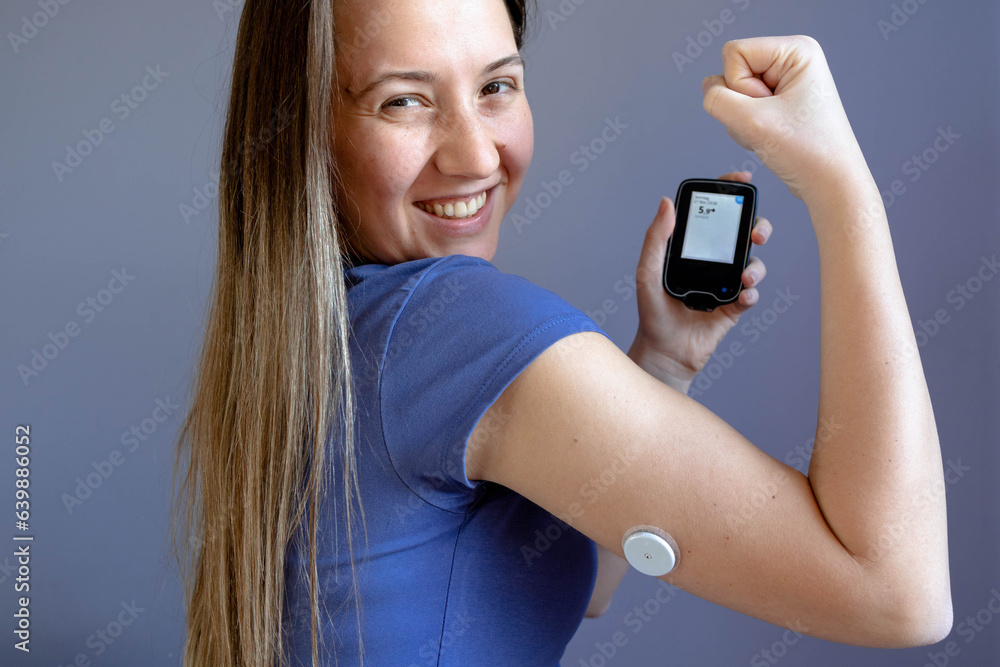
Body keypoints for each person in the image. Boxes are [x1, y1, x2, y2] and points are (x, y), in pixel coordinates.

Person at [170, 0, 954, 665]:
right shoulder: (459, 324)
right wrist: (843, 187)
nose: (477, 153)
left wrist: (665, 359)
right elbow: (899, 594)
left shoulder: (326, 326)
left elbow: (575, 580)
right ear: (305, 128)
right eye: (403, 100)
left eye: (497, 86)